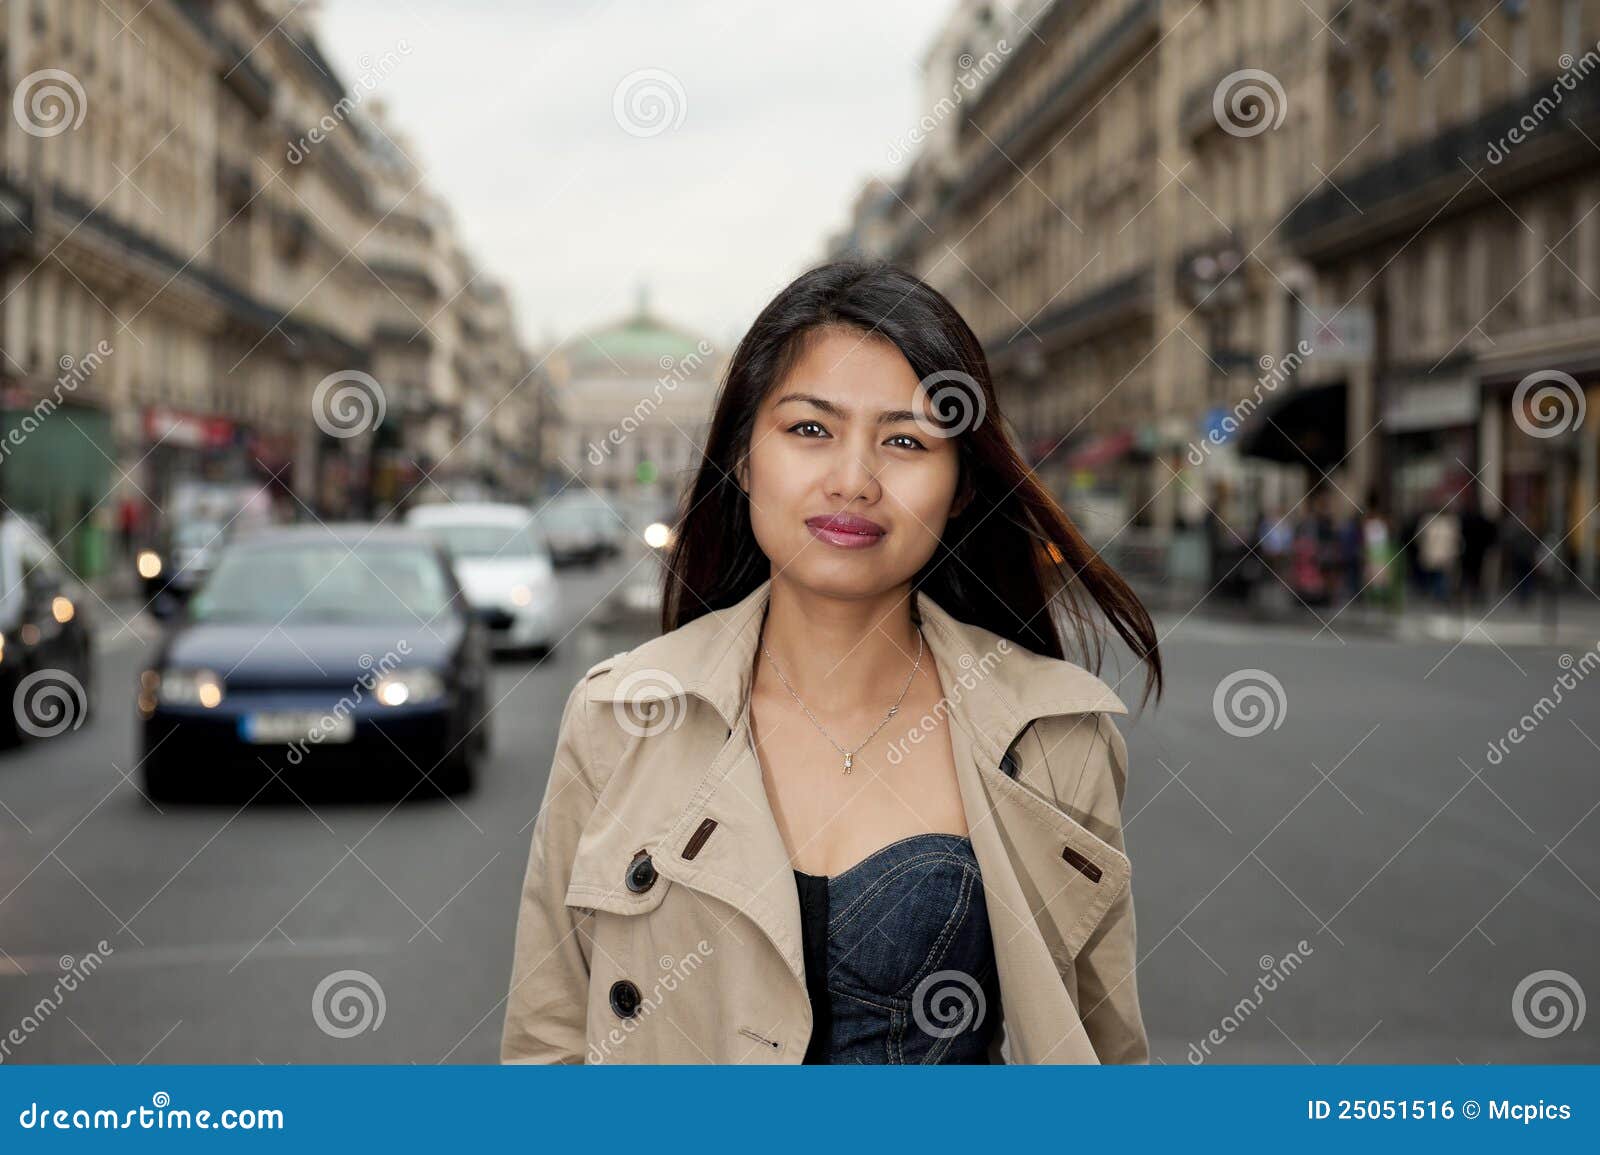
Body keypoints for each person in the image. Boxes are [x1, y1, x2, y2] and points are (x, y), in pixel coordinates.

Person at [500, 260, 1161, 1065]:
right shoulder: (619, 717)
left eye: (906, 440)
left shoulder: (1055, 735)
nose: (853, 480)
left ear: (959, 487)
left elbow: (1107, 1054)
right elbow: (547, 1049)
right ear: (742, 458)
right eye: (811, 429)